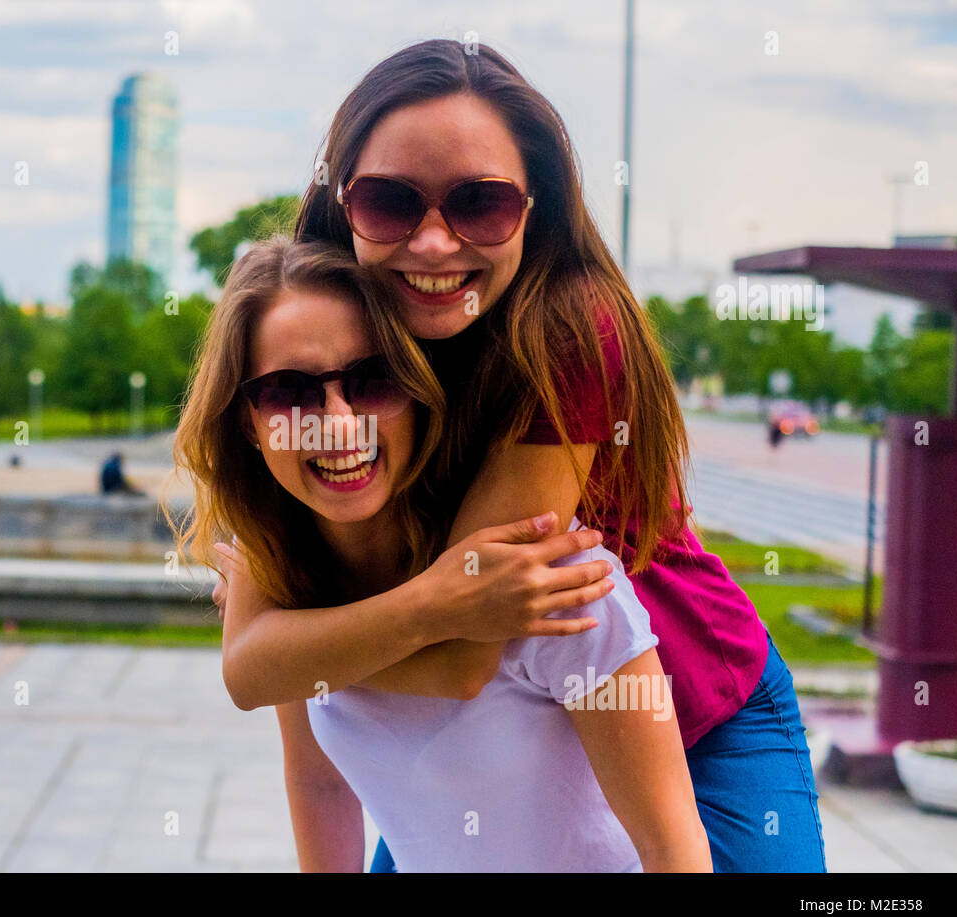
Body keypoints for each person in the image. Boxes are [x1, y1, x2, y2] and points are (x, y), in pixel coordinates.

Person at [216, 39, 825, 873]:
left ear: (534, 207)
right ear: (343, 204)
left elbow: (469, 645)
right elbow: (262, 669)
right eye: (391, 202)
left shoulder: (569, 328)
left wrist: (302, 638)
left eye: (481, 204)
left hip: (691, 703)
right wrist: (294, 635)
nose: (433, 245)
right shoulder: (321, 330)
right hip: (504, 721)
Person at [172, 236, 711, 871]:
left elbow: (671, 846)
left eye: (373, 380)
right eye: (290, 391)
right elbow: (319, 786)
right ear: (245, 421)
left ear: (419, 391)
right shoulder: (295, 586)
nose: (338, 423)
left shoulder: (547, 582)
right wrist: (424, 608)